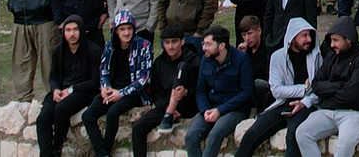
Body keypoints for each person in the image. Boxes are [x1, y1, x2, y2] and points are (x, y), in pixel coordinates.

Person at [296, 18, 359, 157]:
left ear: (349, 39)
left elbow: (352, 95)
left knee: (345, 144)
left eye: (336, 40)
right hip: (329, 111)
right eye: (331, 40)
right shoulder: (332, 56)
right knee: (302, 133)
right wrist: (339, 86)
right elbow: (316, 84)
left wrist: (326, 97)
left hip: (357, 113)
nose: (332, 44)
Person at [238, 17, 319, 157]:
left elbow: (319, 88)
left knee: (293, 136)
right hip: (283, 103)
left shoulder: (316, 56)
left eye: (309, 35)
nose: (309, 40)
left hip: (306, 105)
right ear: (293, 37)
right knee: (251, 135)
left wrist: (305, 100)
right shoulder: (278, 57)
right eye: (304, 36)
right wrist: (303, 88)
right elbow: (276, 90)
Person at [84, 11, 153, 157]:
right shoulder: (110, 46)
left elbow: (143, 79)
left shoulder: (144, 45)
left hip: (134, 92)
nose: (126, 32)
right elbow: (104, 70)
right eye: (122, 29)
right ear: (116, 31)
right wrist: (105, 87)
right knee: (88, 115)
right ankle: (102, 153)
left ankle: (106, 150)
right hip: (112, 90)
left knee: (113, 113)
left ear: (134, 29)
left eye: (129, 28)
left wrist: (120, 93)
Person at [130, 27, 200, 157]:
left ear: (182, 42)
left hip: (188, 106)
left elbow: (199, 88)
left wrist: (185, 95)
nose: (171, 46)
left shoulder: (193, 61)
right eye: (167, 42)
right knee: (138, 128)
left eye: (174, 42)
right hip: (165, 107)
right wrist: (168, 108)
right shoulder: (159, 62)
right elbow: (155, 92)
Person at [38, 16, 103, 157]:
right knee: (43, 118)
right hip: (61, 90)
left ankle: (57, 148)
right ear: (63, 32)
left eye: (75, 29)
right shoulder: (58, 50)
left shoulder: (93, 50)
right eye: (68, 30)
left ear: (81, 31)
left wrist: (71, 90)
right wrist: (55, 89)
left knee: (61, 109)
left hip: (84, 91)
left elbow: (95, 82)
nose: (72, 34)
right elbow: (53, 76)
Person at [184, 26, 253, 157]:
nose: (204, 48)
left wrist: (220, 110)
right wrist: (205, 110)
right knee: (191, 136)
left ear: (221, 46)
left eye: (208, 44)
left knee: (215, 135)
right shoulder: (206, 59)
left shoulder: (241, 59)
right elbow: (200, 91)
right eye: (203, 43)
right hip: (210, 107)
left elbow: (246, 92)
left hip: (235, 108)